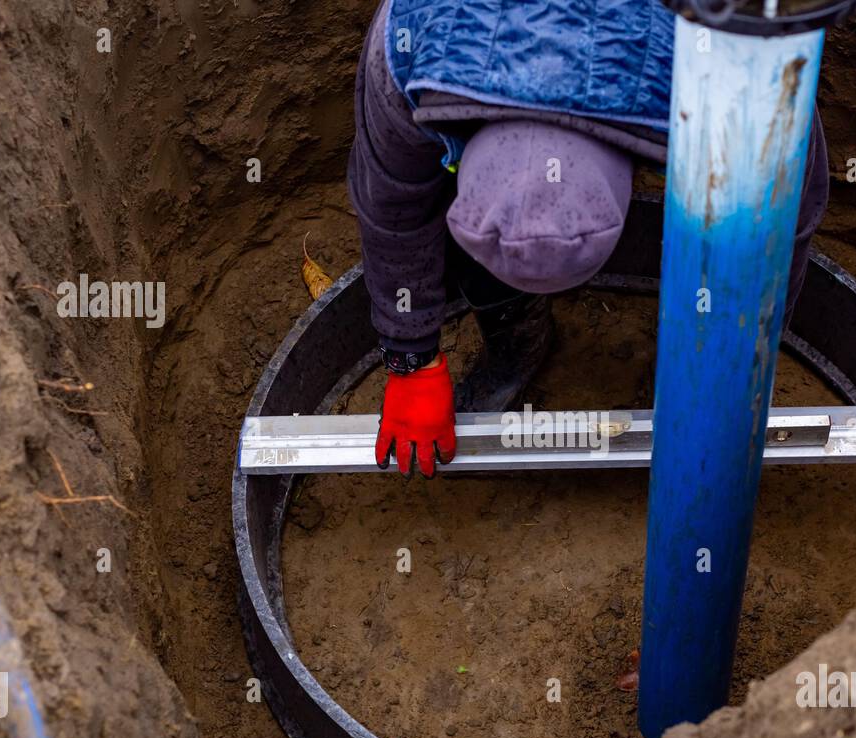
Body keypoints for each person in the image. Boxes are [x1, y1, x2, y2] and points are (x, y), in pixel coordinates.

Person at [348, 0, 829, 477]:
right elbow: (392, 209)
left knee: (735, 223)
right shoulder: (405, 51)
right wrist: (411, 359)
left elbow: (780, 234)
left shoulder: (740, 77)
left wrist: (731, 370)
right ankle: (518, 333)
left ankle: (687, 368)